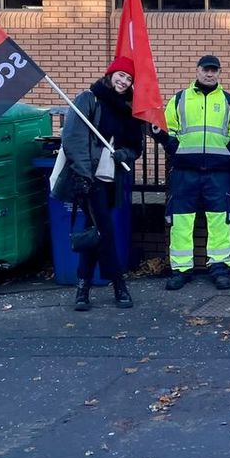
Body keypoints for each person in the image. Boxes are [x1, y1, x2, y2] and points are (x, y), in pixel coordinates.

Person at [58, 55, 144, 311]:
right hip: (88, 179)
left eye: (129, 79)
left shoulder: (129, 108)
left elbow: (135, 147)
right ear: (110, 74)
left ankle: (82, 288)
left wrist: (124, 155)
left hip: (111, 180)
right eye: (120, 75)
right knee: (105, 231)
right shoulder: (89, 99)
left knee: (94, 231)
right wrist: (85, 176)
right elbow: (73, 138)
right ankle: (119, 285)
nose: (124, 81)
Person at [162, 55, 230, 291]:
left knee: (220, 221)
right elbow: (168, 130)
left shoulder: (229, 101)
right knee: (181, 221)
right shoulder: (179, 99)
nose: (209, 74)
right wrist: (178, 152)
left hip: (218, 173)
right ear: (197, 71)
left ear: (219, 73)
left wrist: (227, 155)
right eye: (206, 69)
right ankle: (181, 269)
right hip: (185, 172)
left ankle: (219, 268)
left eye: (214, 70)